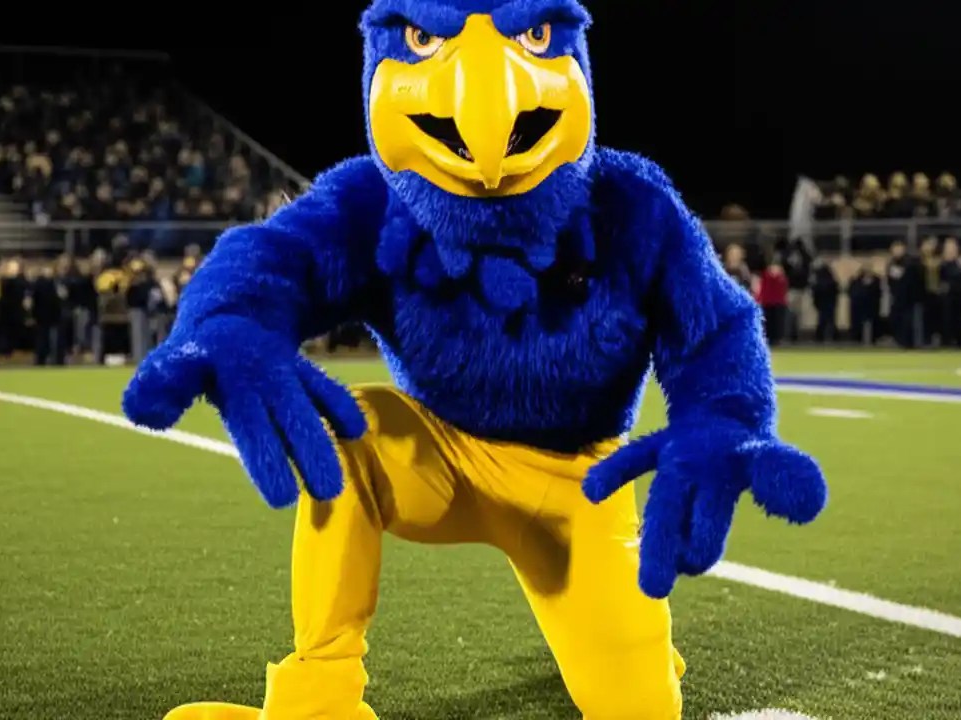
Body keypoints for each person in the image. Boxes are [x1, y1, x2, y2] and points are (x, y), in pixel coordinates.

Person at [124, 4, 827, 717]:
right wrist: (226, 321)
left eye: (535, 35)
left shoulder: (630, 204)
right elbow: (275, 256)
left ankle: (626, 642)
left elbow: (715, 326)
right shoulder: (373, 201)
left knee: (639, 709)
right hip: (443, 455)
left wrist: (724, 416)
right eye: (425, 37)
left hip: (579, 484)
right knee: (350, 429)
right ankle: (320, 698)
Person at [885, 240, 923, 348]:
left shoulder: (911, 263)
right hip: (897, 298)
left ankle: (912, 343)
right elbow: (890, 281)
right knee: (897, 321)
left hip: (910, 299)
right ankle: (899, 341)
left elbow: (915, 280)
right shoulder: (891, 264)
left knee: (910, 322)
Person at [30, 264, 67, 366]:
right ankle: (44, 360)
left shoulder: (56, 282)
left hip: (52, 315)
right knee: (44, 339)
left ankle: (54, 360)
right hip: (45, 316)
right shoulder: (41, 284)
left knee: (53, 339)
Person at [938, 238, 961, 348]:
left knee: (958, 319)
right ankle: (946, 341)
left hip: (959, 295)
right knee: (946, 318)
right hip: (945, 298)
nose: (951, 250)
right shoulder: (940, 265)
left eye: (953, 247)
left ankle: (958, 341)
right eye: (948, 247)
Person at [755, 257, 789, 346]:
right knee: (768, 322)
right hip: (767, 302)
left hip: (779, 302)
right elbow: (763, 289)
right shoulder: (766, 276)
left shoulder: (781, 277)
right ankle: (769, 339)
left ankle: (778, 339)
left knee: (778, 322)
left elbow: (783, 289)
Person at [847, 264, 881, 345]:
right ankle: (859, 338)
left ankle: (870, 338)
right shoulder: (856, 281)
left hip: (870, 306)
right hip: (860, 306)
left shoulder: (876, 281)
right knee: (860, 323)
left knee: (870, 323)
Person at [810, 258, 838, 343]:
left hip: (823, 303)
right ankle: (830, 336)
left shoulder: (819, 279)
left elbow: (816, 291)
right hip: (829, 303)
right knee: (829, 320)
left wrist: (816, 302)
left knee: (823, 320)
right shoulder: (830, 278)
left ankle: (822, 336)